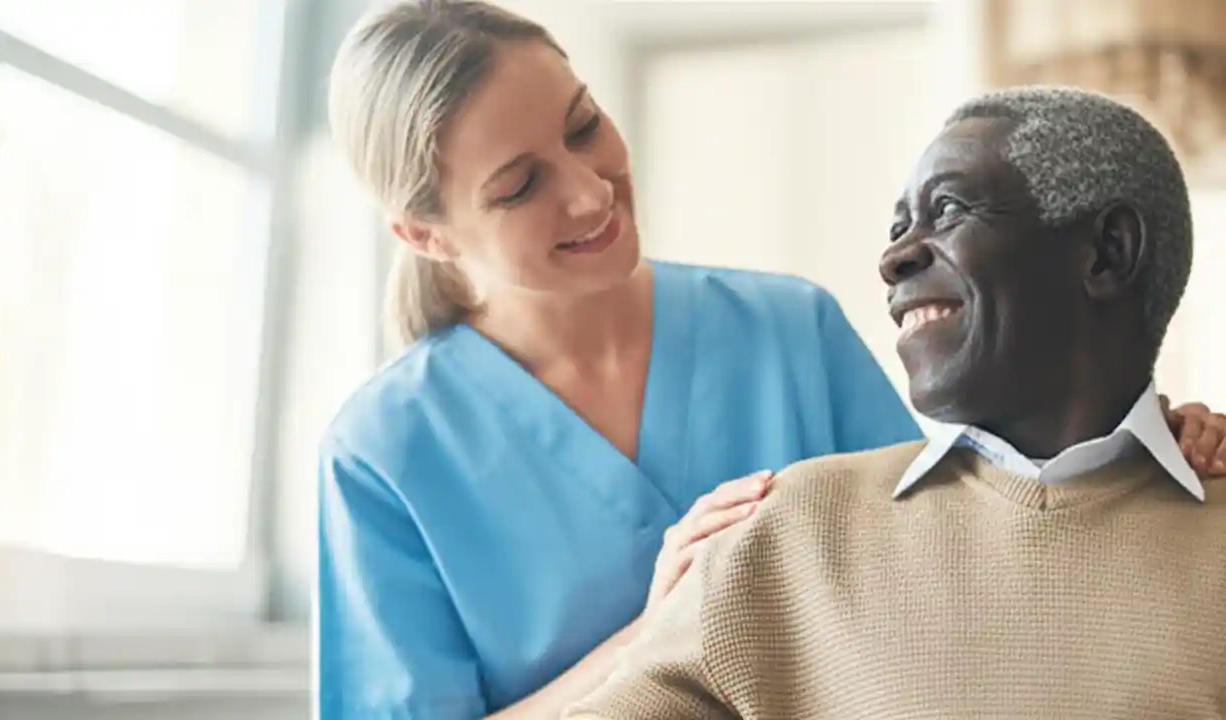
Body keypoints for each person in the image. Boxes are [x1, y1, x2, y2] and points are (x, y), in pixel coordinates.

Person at [318, 3, 1226, 717]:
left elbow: (964, 546)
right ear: (423, 234)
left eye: (585, 124)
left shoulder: (789, 327)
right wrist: (665, 626)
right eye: (520, 187)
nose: (592, 190)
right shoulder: (386, 449)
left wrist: (1141, 441)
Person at [567, 86, 1226, 719]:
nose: (893, 257)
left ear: (1109, 252)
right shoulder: (779, 535)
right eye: (899, 226)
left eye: (950, 211)